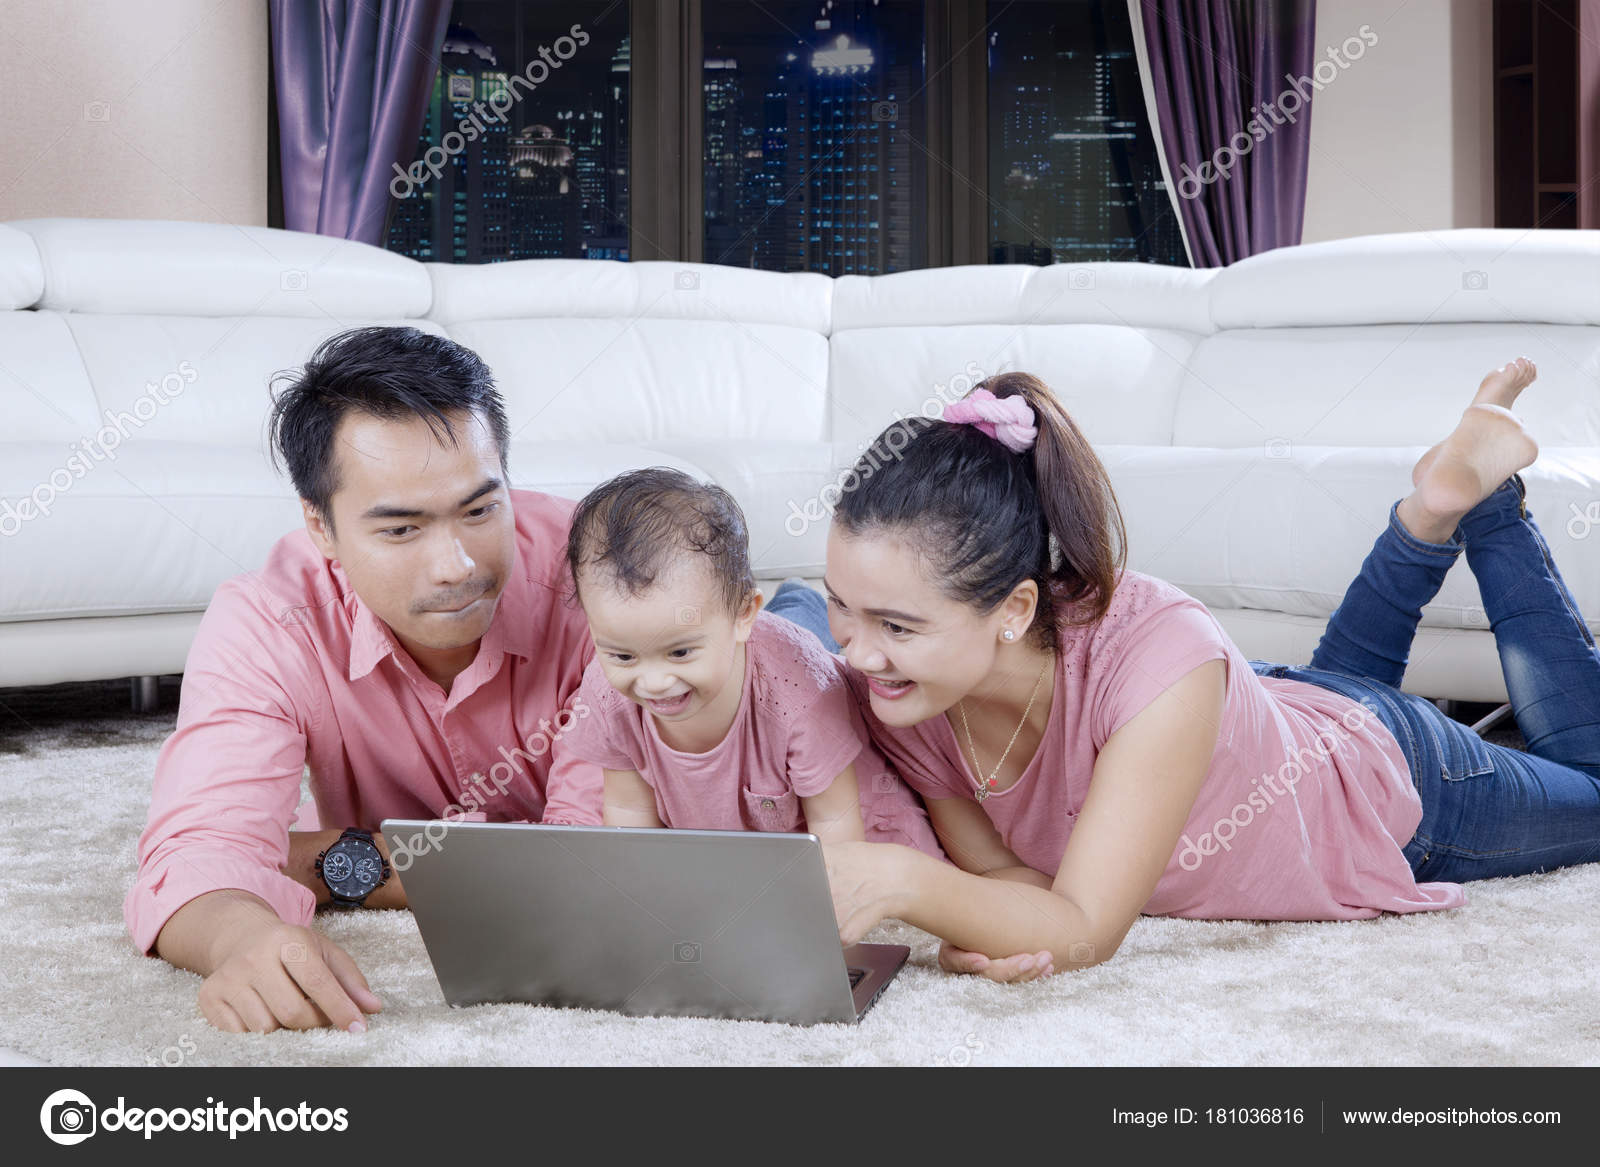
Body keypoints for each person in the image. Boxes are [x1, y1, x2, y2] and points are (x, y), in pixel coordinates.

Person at [787, 359, 1600, 983]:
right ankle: (1429, 511)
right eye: (841, 606)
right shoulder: (910, 691)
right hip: (1272, 723)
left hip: (1389, 784)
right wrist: (997, 919)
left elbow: (1085, 927)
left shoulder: (1158, 656)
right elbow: (1009, 877)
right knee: (1313, 713)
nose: (855, 653)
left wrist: (908, 881)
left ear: (1014, 608)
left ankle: (1488, 501)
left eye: (896, 625)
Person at [124, 327, 604, 1033]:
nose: (457, 566)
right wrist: (240, 936)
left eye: (480, 509)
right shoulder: (271, 619)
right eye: (401, 529)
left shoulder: (604, 578)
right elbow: (194, 858)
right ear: (320, 527)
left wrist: (318, 861)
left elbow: (594, 867)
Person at [549, 468, 942, 856]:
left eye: (680, 653)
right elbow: (629, 813)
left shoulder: (803, 700)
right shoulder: (606, 694)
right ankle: (795, 602)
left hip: (852, 833)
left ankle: (801, 602)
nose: (652, 682)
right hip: (734, 851)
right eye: (623, 655)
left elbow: (837, 831)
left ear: (743, 614)